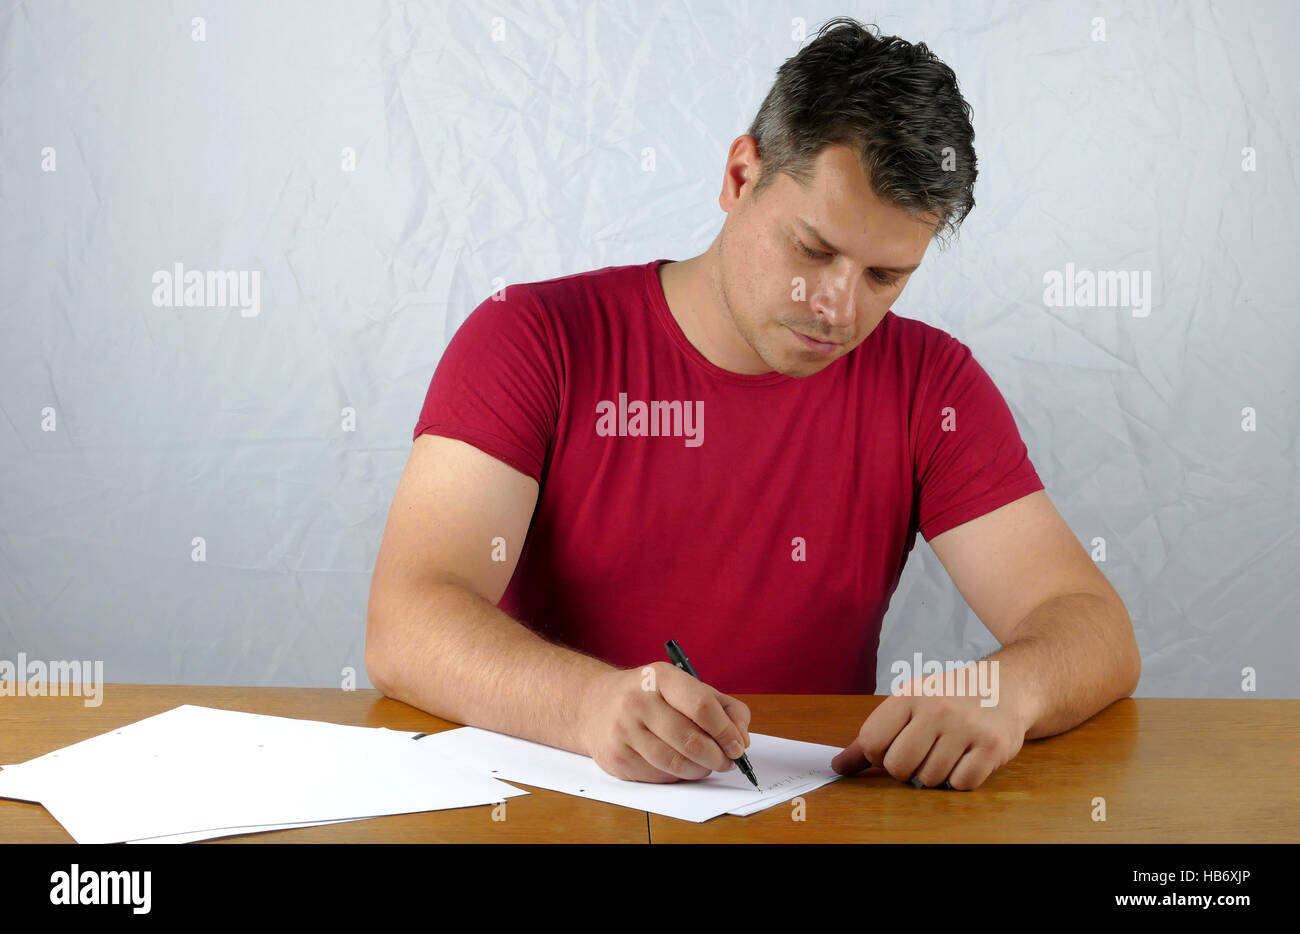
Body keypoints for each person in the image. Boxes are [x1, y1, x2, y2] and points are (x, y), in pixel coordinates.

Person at [366, 17, 1140, 791]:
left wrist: (1009, 689)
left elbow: (1090, 623)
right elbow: (406, 619)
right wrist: (589, 705)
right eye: (812, 250)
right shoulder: (533, 339)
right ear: (740, 176)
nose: (836, 307)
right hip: (550, 806)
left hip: (807, 818)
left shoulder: (930, 384)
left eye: (884, 277)